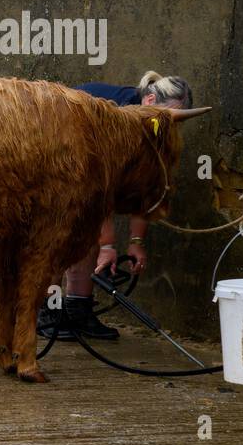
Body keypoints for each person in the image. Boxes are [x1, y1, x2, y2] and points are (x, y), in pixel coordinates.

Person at [37, 72, 194, 341]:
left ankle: (78, 311)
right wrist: (109, 245)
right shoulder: (117, 114)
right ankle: (45, 313)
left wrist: (135, 242)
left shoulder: (155, 127)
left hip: (89, 179)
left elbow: (145, 189)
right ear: (151, 99)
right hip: (56, 163)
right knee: (62, 240)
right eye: (171, 114)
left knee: (87, 243)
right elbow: (99, 187)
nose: (172, 125)